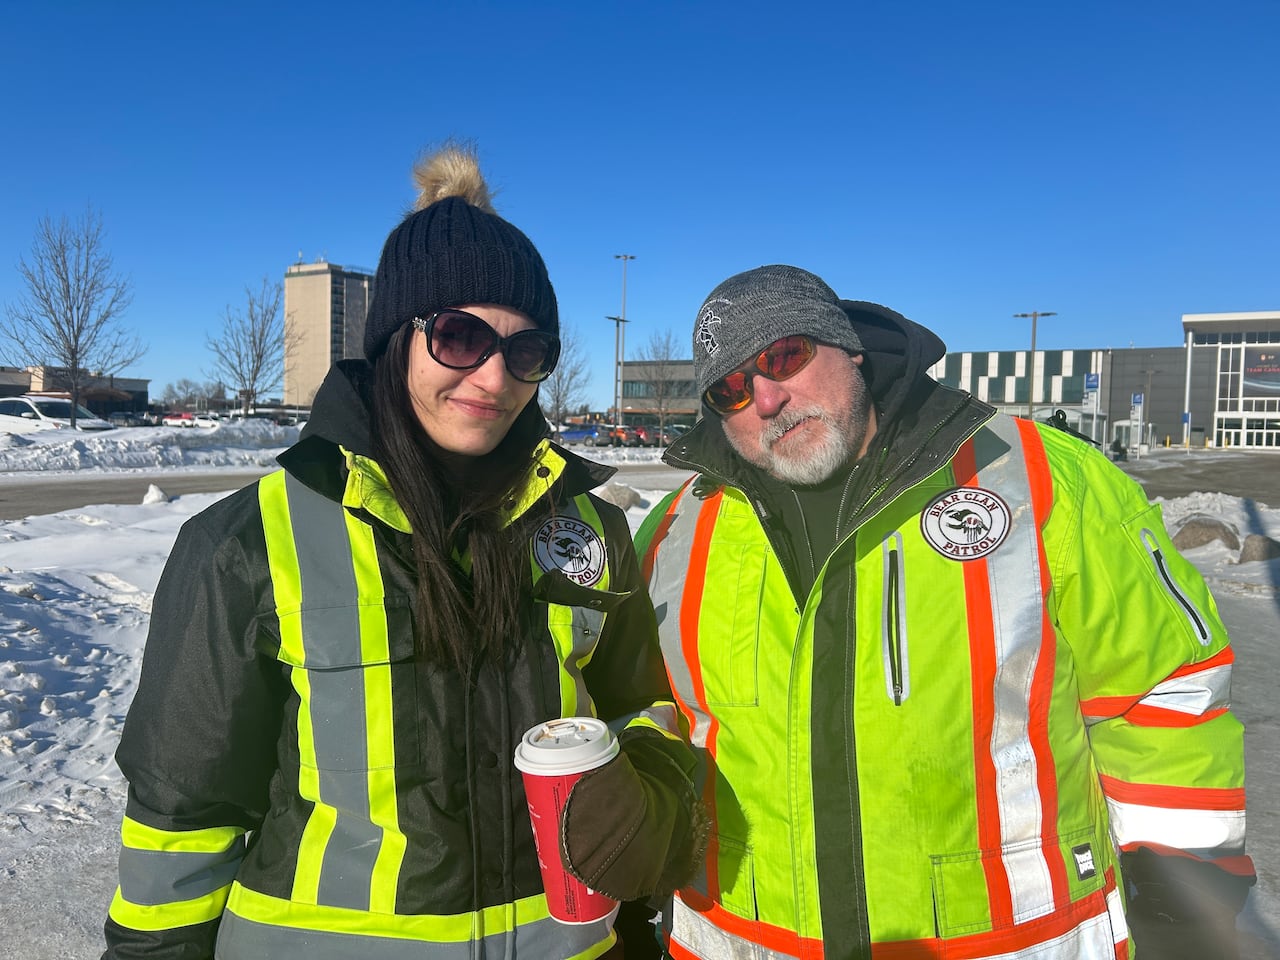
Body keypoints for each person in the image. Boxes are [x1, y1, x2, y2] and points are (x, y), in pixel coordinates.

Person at [103, 144, 701, 959]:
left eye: (527, 351)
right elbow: (185, 811)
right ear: (394, 340)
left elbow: (639, 710)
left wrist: (646, 812)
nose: (493, 378)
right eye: (459, 336)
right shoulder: (245, 542)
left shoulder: (588, 532)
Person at [635, 265, 1255, 959]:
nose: (768, 398)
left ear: (851, 350)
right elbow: (651, 711)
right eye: (731, 389)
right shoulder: (672, 533)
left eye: (784, 356)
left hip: (1012, 942)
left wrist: (1185, 910)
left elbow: (1162, 699)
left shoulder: (1043, 482)